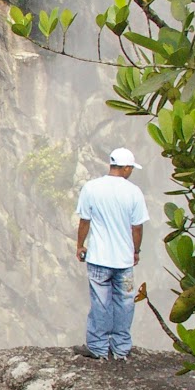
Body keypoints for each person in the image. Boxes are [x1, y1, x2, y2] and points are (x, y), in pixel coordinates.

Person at [74, 147, 149, 360]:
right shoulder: (133, 192)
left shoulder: (91, 188)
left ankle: (98, 347)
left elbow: (84, 221)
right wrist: (135, 251)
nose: (131, 171)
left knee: (100, 302)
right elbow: (137, 227)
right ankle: (121, 348)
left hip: (98, 258)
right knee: (124, 303)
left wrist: (80, 245)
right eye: (131, 168)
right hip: (123, 260)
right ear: (125, 168)